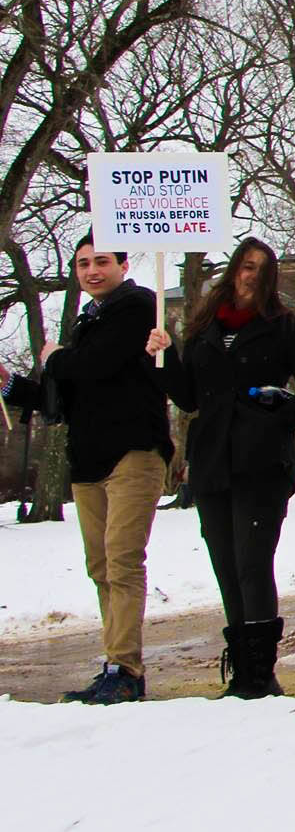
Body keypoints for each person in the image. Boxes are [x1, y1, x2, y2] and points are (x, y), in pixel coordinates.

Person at [148, 237, 295, 699]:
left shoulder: (284, 328)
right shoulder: (204, 325)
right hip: (212, 460)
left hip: (261, 460)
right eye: (245, 266)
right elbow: (187, 395)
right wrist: (162, 358)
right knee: (225, 563)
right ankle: (242, 666)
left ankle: (261, 671)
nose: (251, 276)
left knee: (252, 562)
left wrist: (277, 413)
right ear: (232, 271)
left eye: (262, 269)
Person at [2, 239, 172, 703]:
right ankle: (115, 666)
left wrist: (54, 357)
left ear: (122, 264)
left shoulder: (139, 306)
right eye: (83, 264)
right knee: (100, 566)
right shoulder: (87, 321)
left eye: (101, 261)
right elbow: (66, 397)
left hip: (132, 453)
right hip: (88, 460)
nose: (92, 271)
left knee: (121, 560)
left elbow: (95, 366)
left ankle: (126, 668)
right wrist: (14, 385)